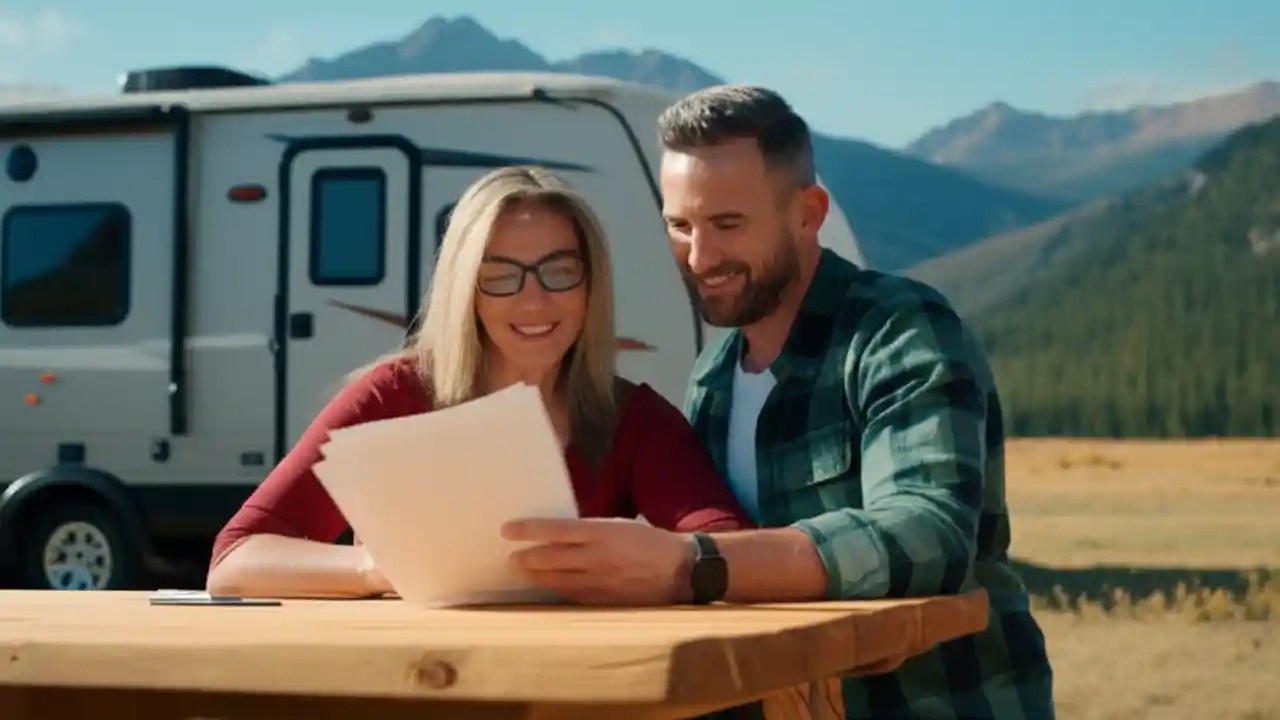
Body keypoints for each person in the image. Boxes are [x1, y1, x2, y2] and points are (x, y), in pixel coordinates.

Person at [501, 87, 1056, 718]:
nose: (700, 257)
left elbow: (928, 535)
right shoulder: (712, 379)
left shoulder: (899, 330)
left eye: (728, 225)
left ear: (808, 213)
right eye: (680, 226)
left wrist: (691, 564)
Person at [206, 165, 751, 599]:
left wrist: (661, 557)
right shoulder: (393, 395)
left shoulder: (634, 419)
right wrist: (380, 567)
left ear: (592, 286)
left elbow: (730, 549)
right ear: (465, 287)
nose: (533, 299)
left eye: (560, 271)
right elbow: (236, 559)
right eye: (499, 275)